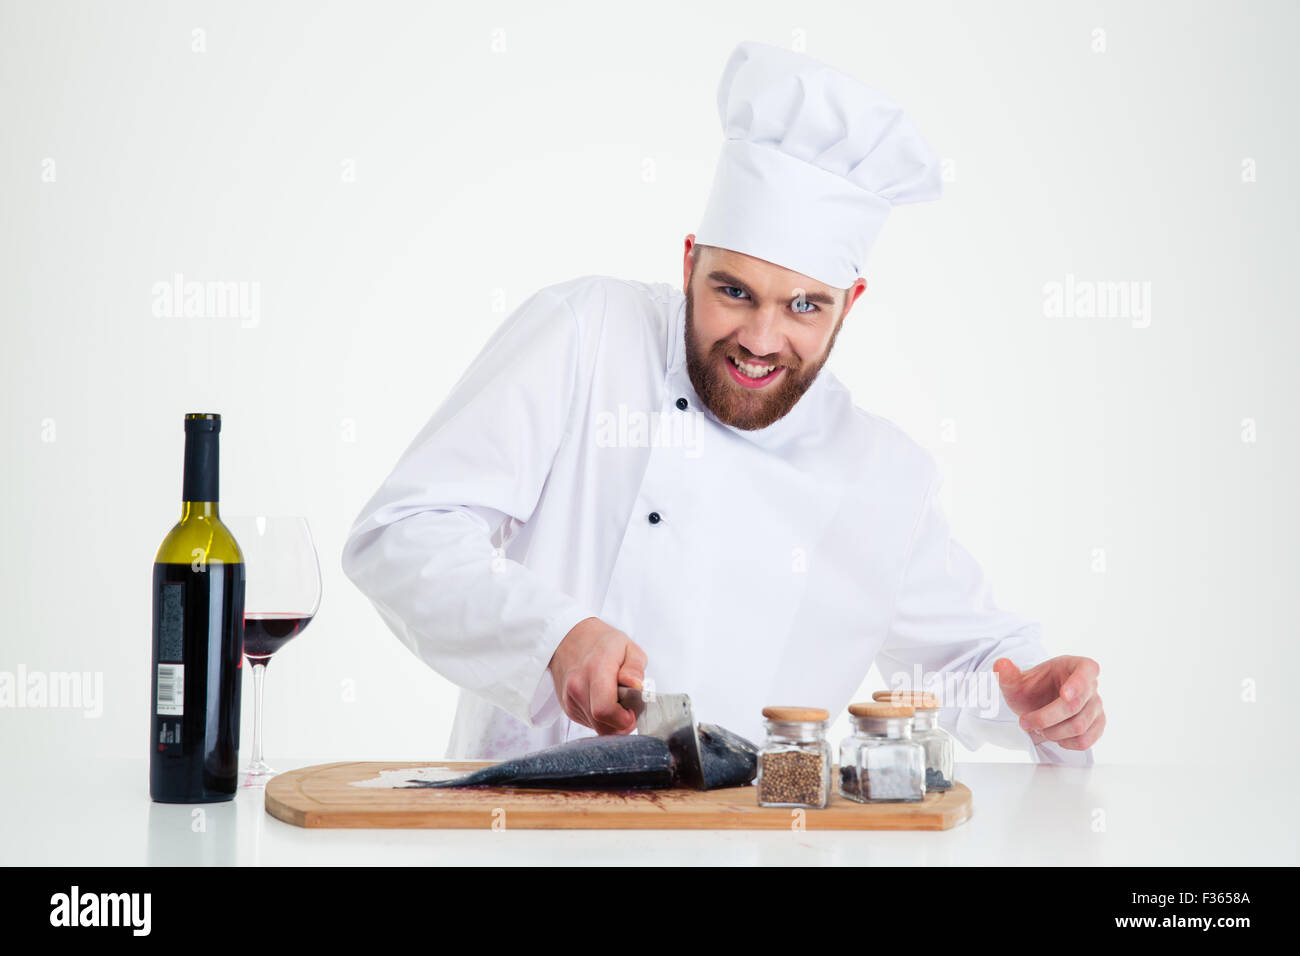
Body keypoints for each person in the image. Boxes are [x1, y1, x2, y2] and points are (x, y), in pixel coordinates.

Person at [342, 41, 1104, 765]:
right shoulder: (588, 334)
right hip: (520, 832)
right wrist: (551, 635)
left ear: (851, 305)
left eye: (805, 306)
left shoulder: (882, 473)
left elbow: (973, 662)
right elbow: (403, 533)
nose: (761, 341)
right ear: (688, 262)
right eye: (733, 291)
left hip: (749, 846)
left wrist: (1039, 697)